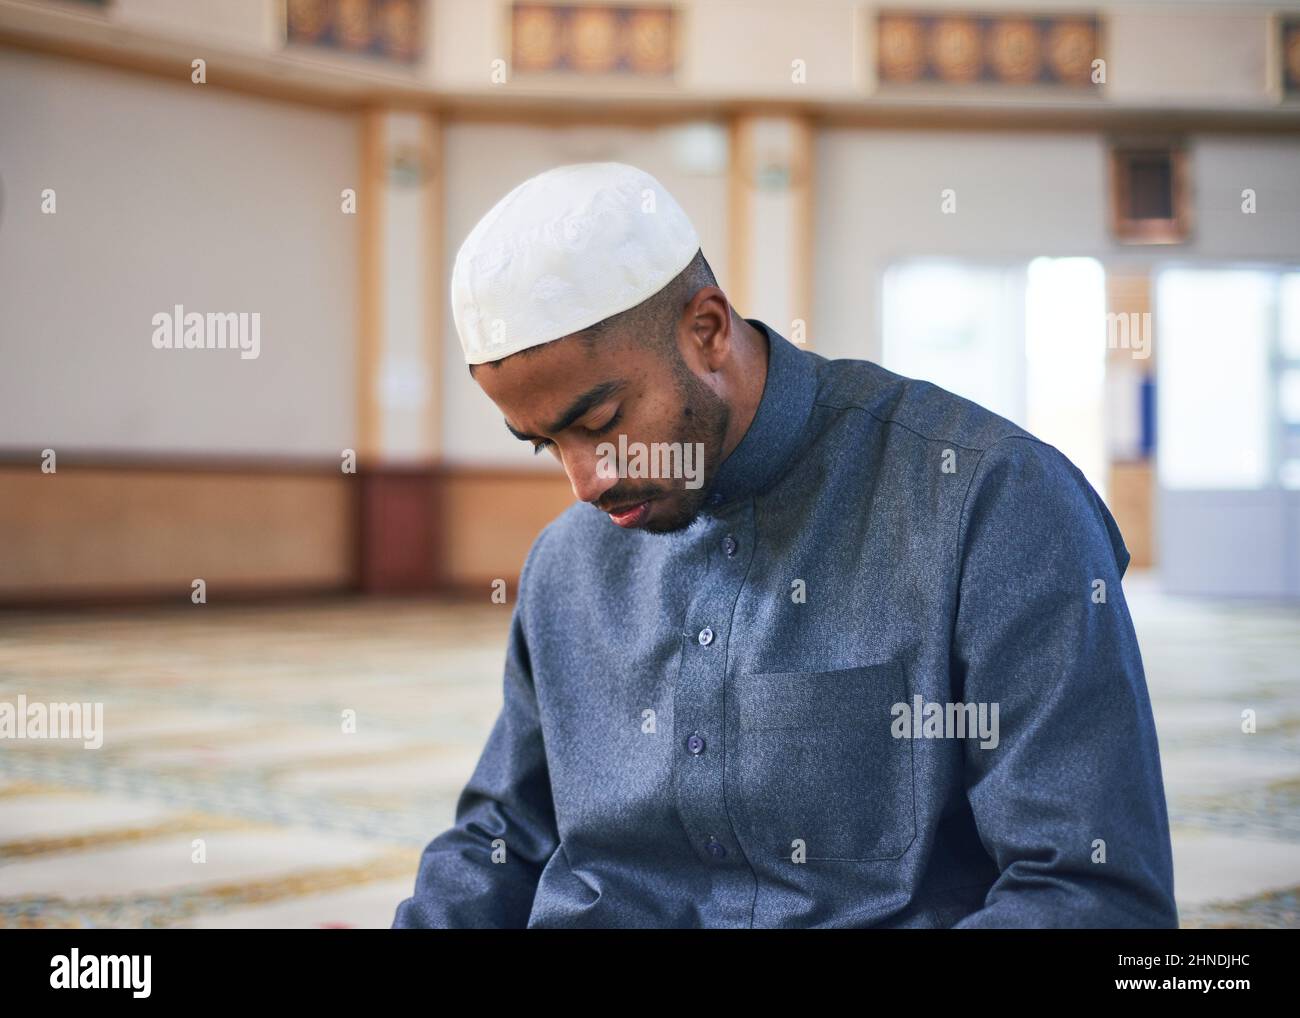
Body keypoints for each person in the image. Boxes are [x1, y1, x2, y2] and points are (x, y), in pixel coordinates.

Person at [392, 161, 1178, 928]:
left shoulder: (992, 502)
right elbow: (504, 837)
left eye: (601, 424)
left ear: (706, 331)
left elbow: (1090, 894)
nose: (585, 481)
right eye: (543, 443)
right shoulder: (568, 564)